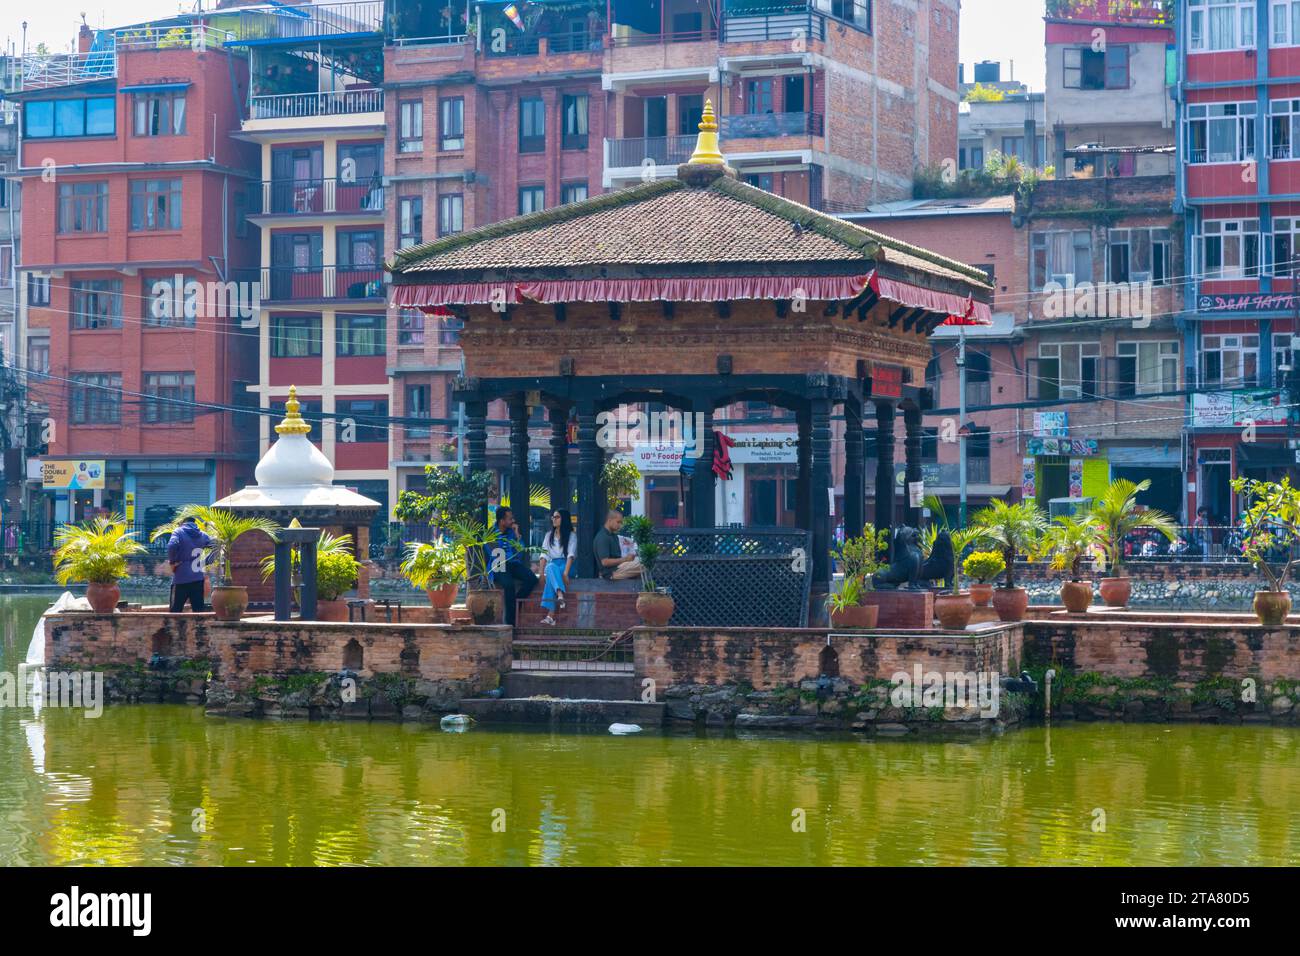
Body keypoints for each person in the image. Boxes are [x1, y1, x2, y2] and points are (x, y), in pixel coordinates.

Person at [492, 506, 536, 626]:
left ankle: (517, 601)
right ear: (502, 521)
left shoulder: (512, 532)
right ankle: (511, 625)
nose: (512, 521)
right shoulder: (491, 533)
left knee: (532, 578)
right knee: (509, 585)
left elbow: (520, 551)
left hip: (513, 563)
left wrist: (517, 535)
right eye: (510, 519)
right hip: (499, 565)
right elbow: (491, 555)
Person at [166, 515, 212, 613]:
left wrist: (172, 561)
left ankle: (175, 629)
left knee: (175, 611)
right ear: (195, 523)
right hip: (197, 577)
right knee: (198, 611)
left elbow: (172, 545)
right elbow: (217, 545)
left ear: (183, 523)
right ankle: (199, 628)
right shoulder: (203, 535)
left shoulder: (178, 532)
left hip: (180, 577)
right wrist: (206, 562)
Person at [538, 510, 576, 626]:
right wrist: (541, 573)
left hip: (567, 565)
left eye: (557, 517)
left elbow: (571, 555)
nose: (554, 519)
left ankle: (551, 614)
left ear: (563, 519)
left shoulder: (571, 535)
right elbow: (543, 555)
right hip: (553, 565)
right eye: (553, 517)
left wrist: (565, 573)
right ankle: (559, 596)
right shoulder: (548, 535)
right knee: (550, 568)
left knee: (551, 573)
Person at [593, 509, 641, 580]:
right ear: (609, 520)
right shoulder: (602, 537)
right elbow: (605, 562)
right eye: (618, 522)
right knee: (644, 563)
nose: (620, 525)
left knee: (643, 561)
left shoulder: (613, 535)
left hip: (619, 567)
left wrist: (629, 558)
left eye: (621, 523)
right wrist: (625, 559)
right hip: (611, 572)